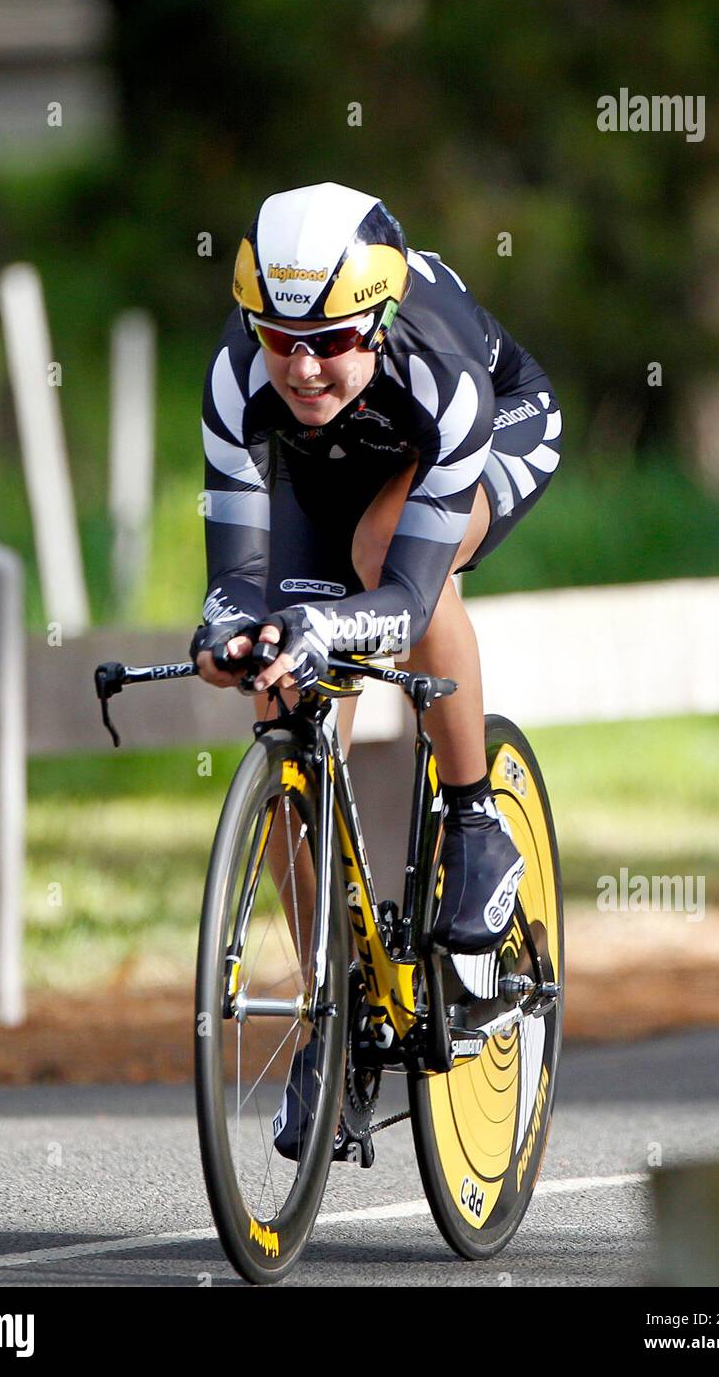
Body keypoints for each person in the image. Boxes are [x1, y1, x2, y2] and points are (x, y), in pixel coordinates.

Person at [190, 182, 561, 1159]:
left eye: (333, 339)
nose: (304, 366)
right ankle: (333, 1005)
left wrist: (319, 623)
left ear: (383, 318)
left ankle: (476, 817)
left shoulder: (440, 373)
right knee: (287, 709)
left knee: (381, 550)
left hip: (474, 435)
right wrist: (228, 639)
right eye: (279, 337)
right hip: (331, 468)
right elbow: (231, 581)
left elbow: (397, 598)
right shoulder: (237, 377)